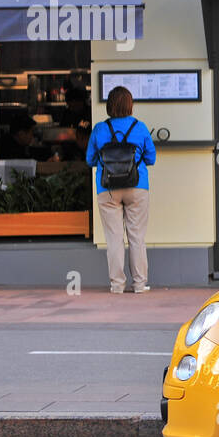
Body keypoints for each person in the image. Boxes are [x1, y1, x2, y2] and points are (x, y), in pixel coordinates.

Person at [87, 86, 156, 294]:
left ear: (109, 105)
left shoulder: (99, 129)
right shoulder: (140, 127)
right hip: (137, 186)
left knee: (114, 238)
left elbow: (90, 159)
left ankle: (117, 285)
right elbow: (151, 158)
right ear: (130, 105)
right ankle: (139, 284)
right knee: (136, 236)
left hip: (107, 188)